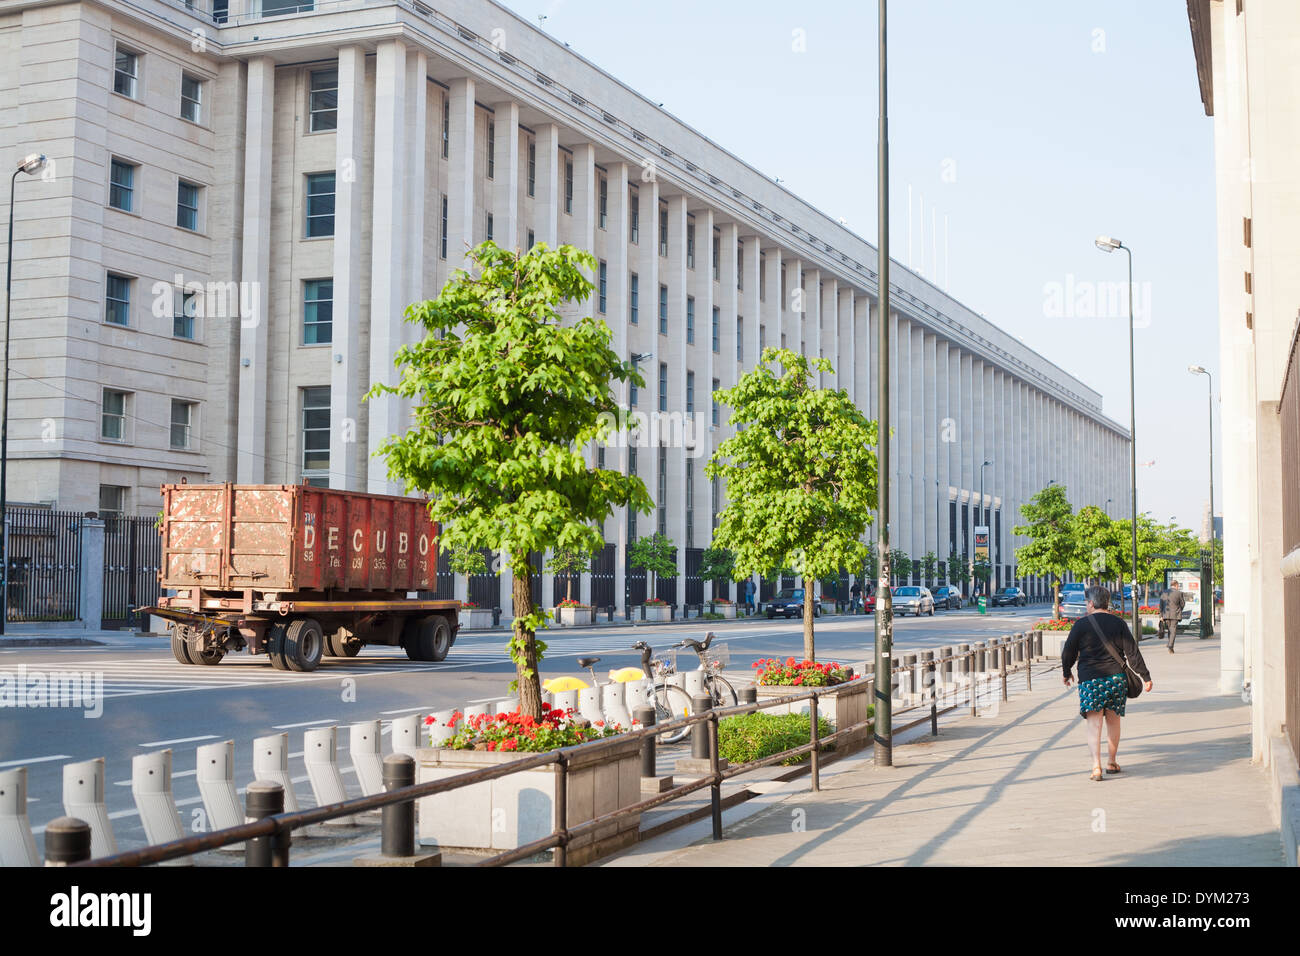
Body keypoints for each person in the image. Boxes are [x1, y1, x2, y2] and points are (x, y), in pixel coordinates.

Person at [1061, 585, 1153, 782]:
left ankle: (1096, 767)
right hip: (1115, 679)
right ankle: (1111, 761)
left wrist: (1066, 672)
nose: (1086, 605)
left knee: (1094, 724)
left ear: (1092, 603)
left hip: (1090, 680)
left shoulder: (1081, 625)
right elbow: (1132, 651)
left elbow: (1068, 651)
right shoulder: (1118, 623)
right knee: (1113, 720)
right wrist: (1145, 676)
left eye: (1087, 602)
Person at [1158, 579, 1186, 653]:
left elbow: (1161, 604)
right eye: (1178, 586)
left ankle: (1170, 644)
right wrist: (1179, 609)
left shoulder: (1164, 592)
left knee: (1170, 630)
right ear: (1176, 585)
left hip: (1166, 614)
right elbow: (1182, 604)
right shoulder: (1179, 593)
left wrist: (1161, 615)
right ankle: (1170, 646)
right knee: (1173, 630)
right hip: (1175, 614)